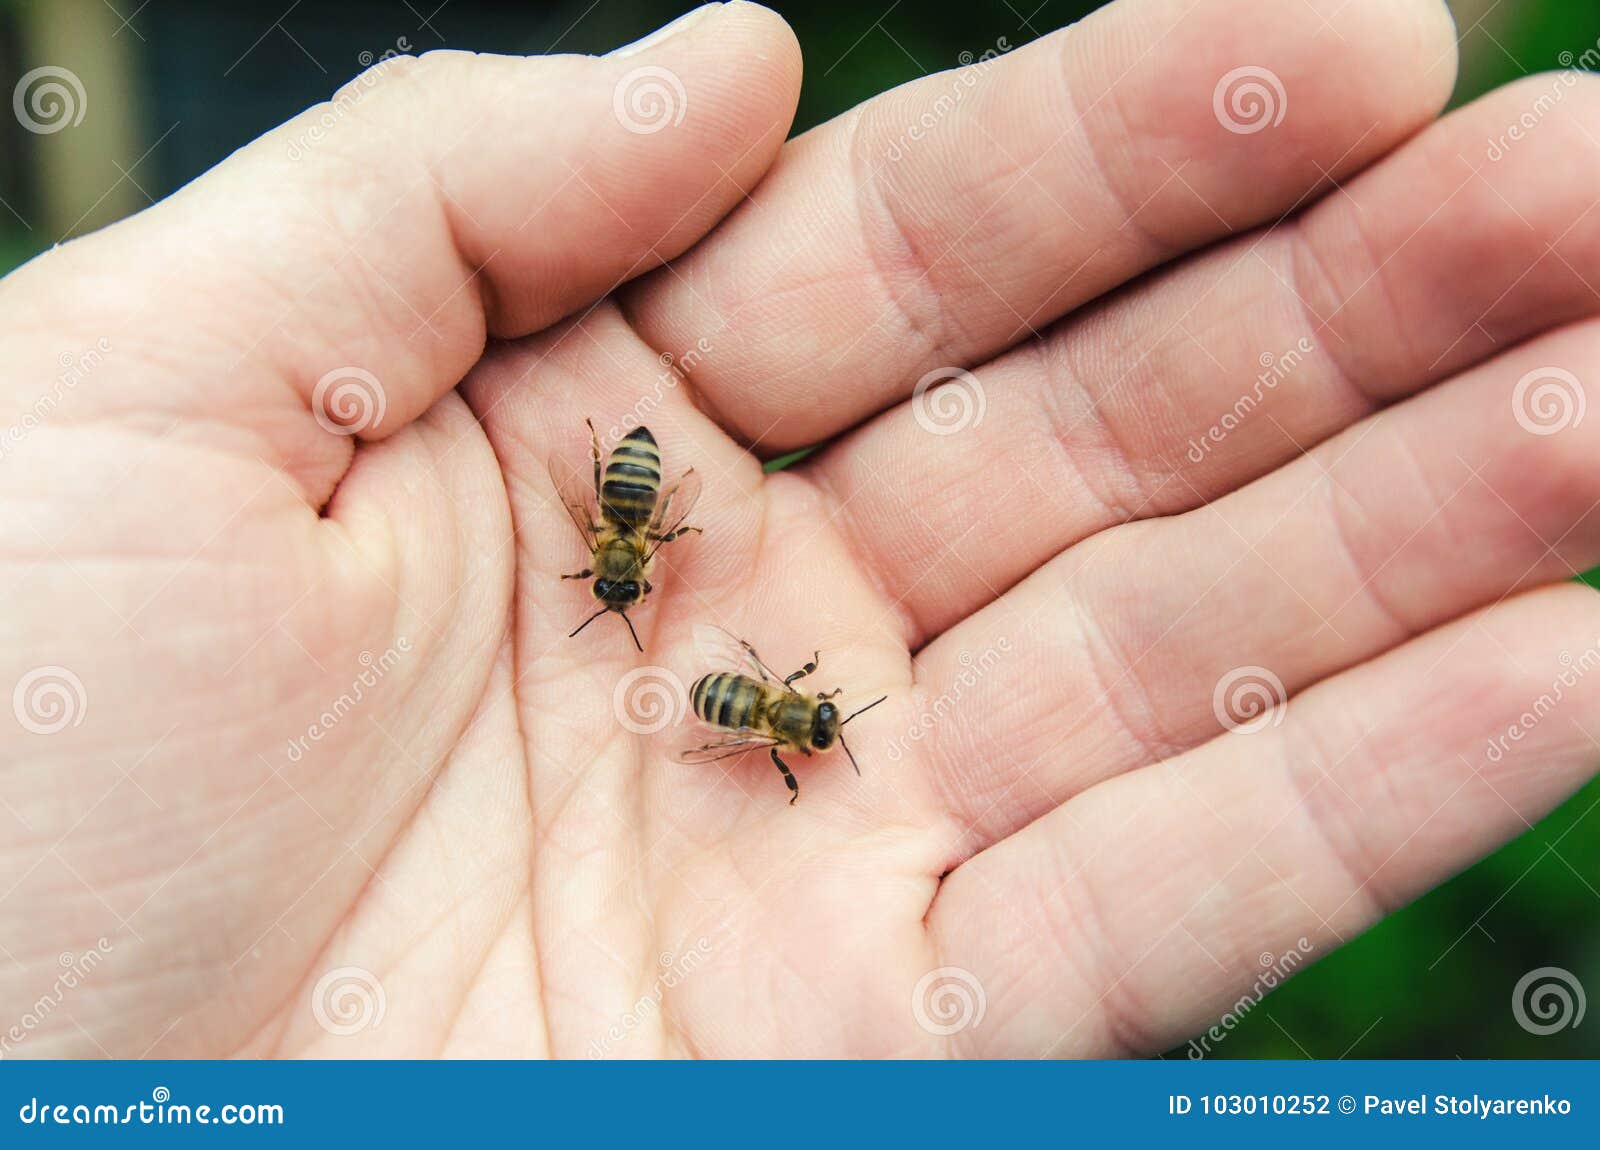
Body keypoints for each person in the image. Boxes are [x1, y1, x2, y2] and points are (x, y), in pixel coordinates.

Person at [3, 0, 1597, 1058]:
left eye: (806, 723)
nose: (806, 722)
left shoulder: (708, 651)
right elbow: (708, 642)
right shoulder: (709, 657)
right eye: (815, 723)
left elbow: (707, 636)